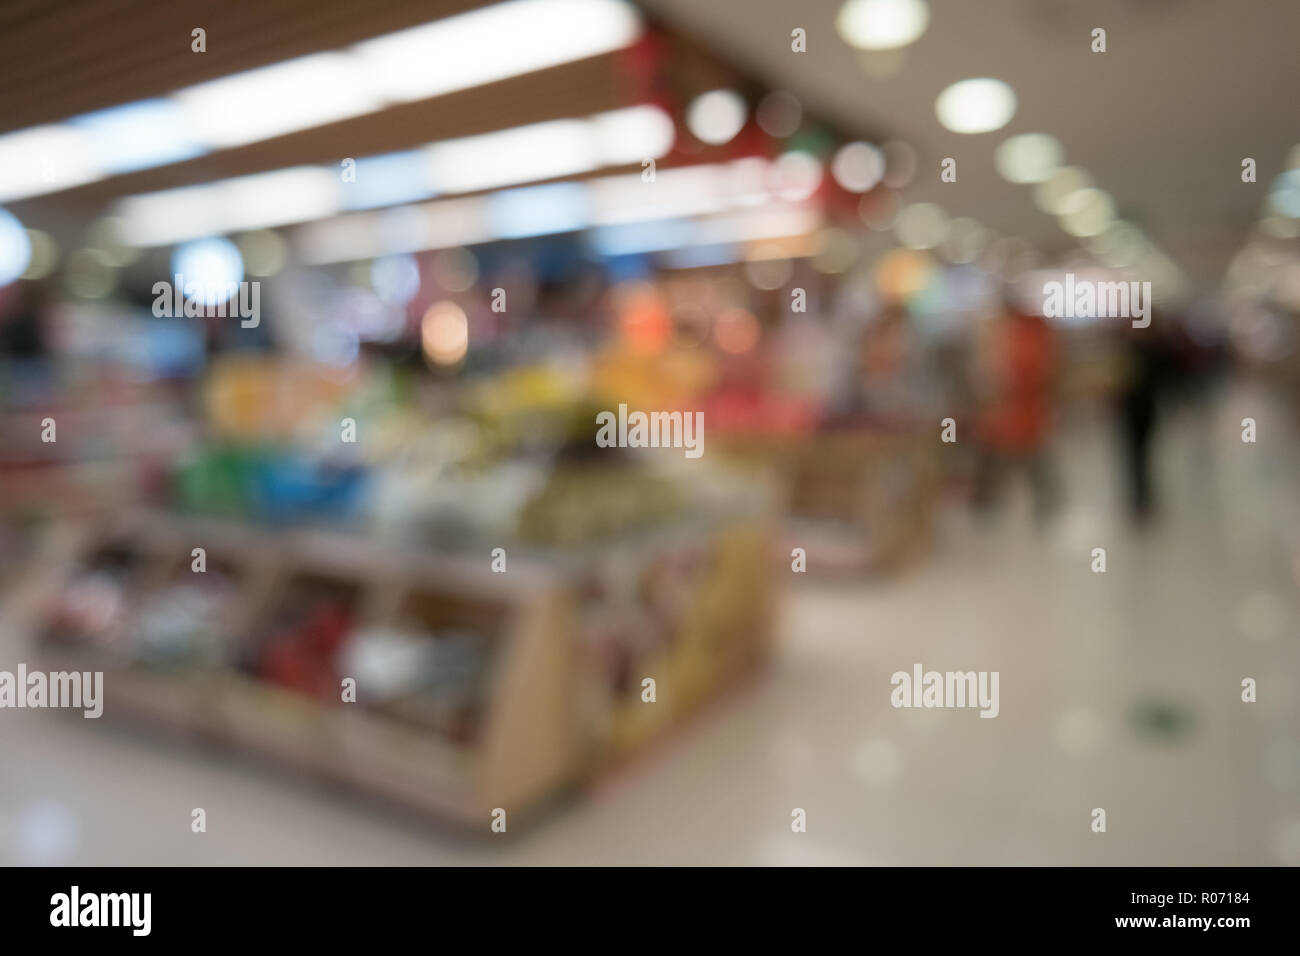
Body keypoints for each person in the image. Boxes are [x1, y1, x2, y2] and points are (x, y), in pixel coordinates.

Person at [972, 300, 1059, 523]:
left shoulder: (1028, 337)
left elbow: (1026, 374)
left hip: (1021, 410)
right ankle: (988, 499)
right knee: (1012, 457)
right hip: (1012, 411)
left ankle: (990, 499)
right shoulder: (1024, 335)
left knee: (1028, 457)